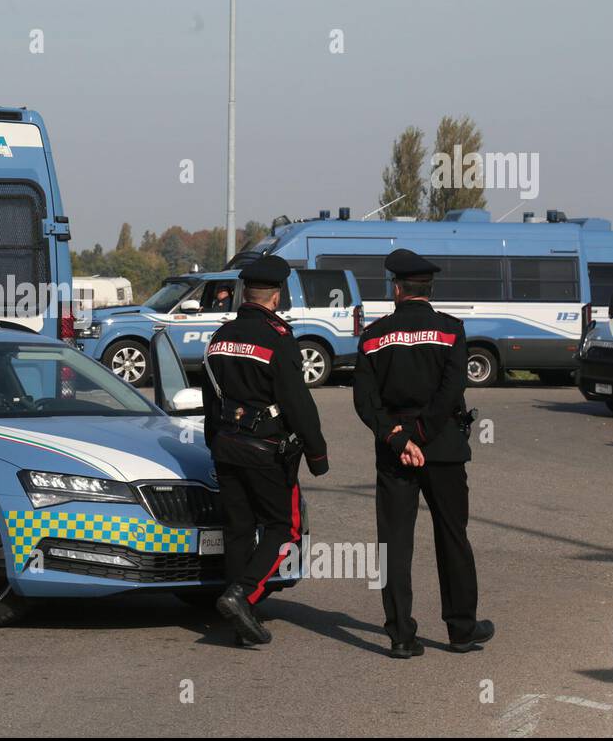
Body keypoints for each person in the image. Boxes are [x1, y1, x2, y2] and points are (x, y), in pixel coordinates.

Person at [351, 248, 494, 659]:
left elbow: (365, 400)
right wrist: (423, 434)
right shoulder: (452, 330)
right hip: (443, 446)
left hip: (394, 449)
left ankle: (400, 635)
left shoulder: (374, 336)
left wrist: (400, 440)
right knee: (453, 537)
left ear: (396, 288)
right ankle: (462, 630)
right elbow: (452, 390)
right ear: (428, 289)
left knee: (394, 544)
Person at [201, 255, 329, 647]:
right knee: (284, 528)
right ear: (276, 295)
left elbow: (210, 398)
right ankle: (242, 596)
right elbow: (297, 402)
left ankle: (241, 619)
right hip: (267, 451)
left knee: (239, 530)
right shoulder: (278, 337)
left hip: (225, 446)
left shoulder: (220, 337)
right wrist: (317, 454)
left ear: (245, 292)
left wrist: (214, 441)